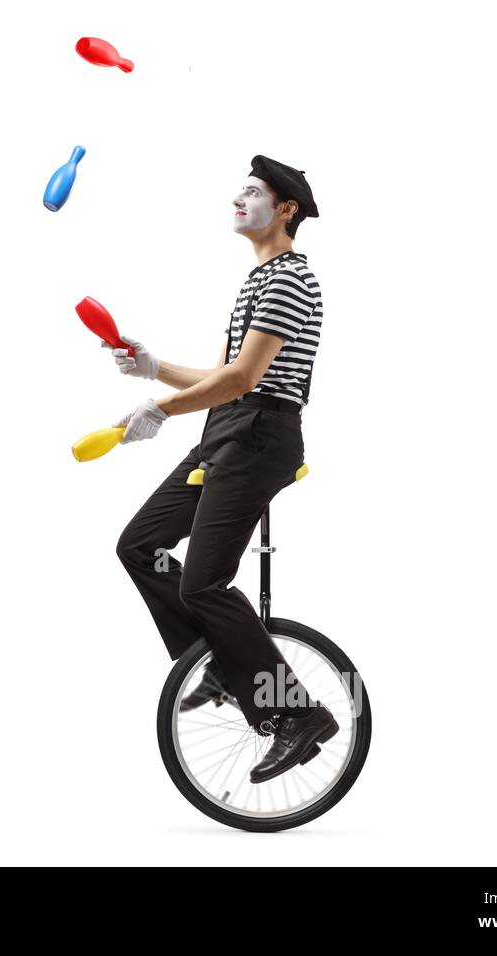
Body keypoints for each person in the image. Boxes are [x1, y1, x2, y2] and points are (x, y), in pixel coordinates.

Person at [110, 155, 337, 784]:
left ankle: (296, 715)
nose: (239, 199)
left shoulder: (291, 279)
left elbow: (244, 380)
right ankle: (214, 661)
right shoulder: (257, 280)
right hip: (227, 431)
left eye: (253, 192)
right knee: (140, 544)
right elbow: (220, 380)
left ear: (285, 209)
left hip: (260, 438)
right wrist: (154, 368)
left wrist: (158, 407)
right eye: (239, 190)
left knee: (204, 585)